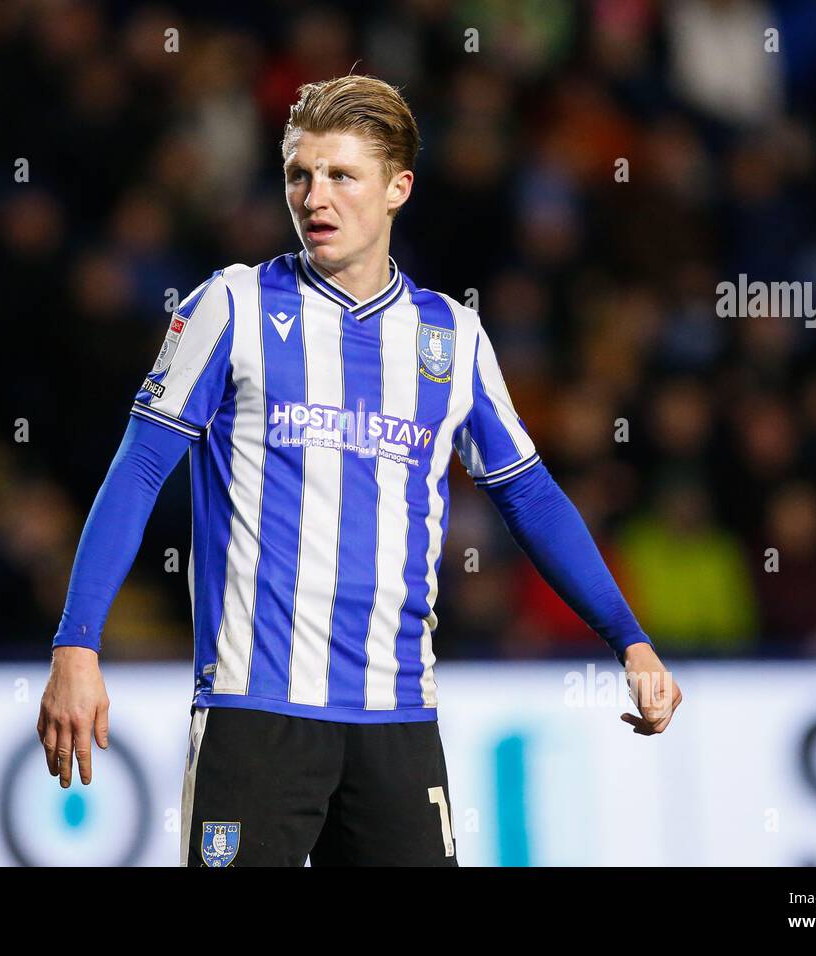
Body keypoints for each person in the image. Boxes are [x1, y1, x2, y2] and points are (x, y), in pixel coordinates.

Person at [37, 74, 682, 867]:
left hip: (399, 721)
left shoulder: (452, 337)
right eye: (299, 175)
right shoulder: (230, 307)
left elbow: (529, 495)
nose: (316, 197)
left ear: (396, 189)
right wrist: (78, 644)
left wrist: (630, 641)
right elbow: (138, 468)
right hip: (256, 713)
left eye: (342, 175)